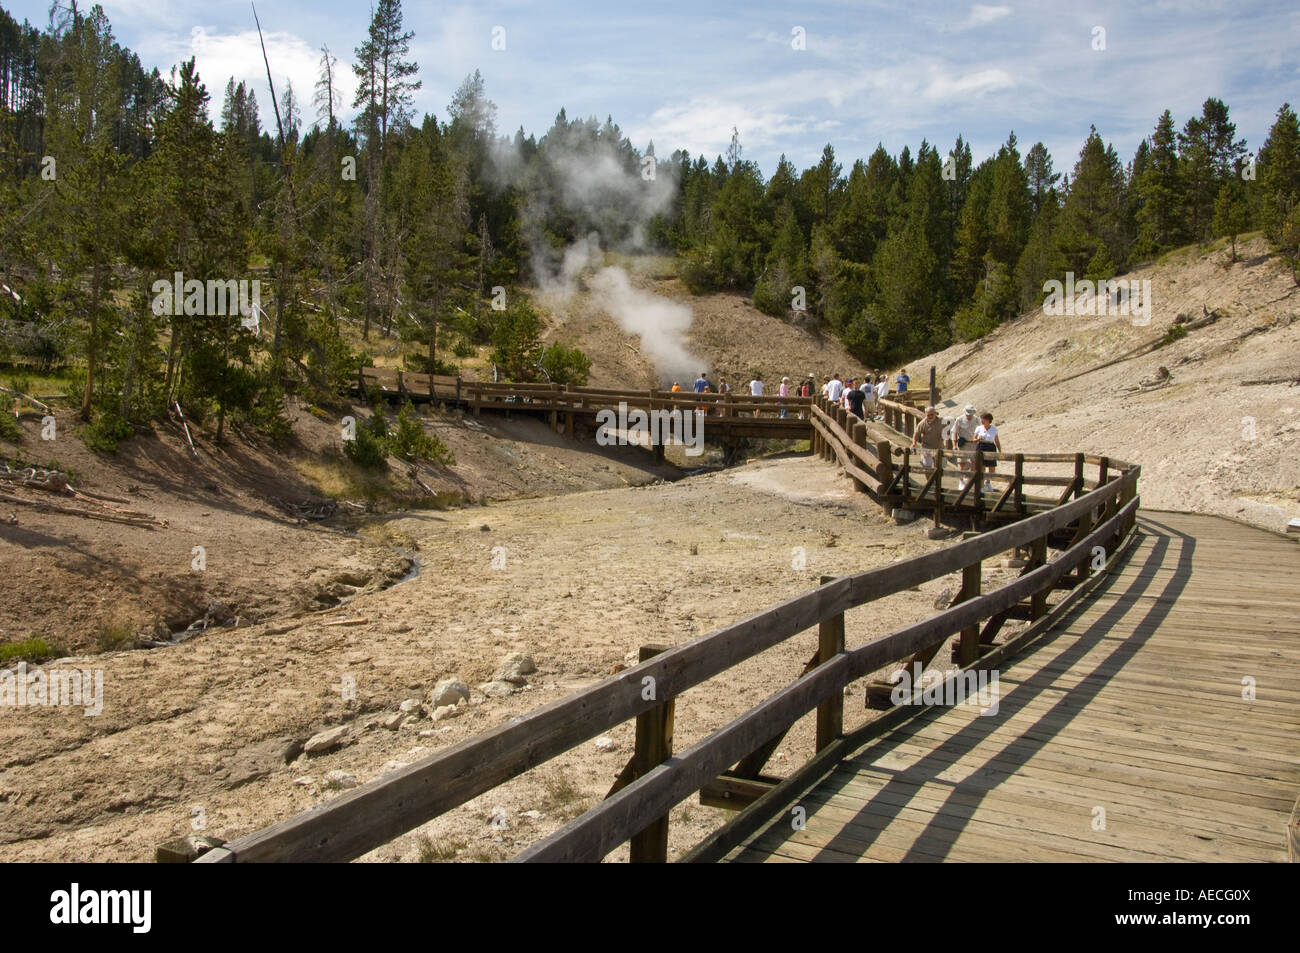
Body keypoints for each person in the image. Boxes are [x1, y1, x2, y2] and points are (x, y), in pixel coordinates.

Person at [951, 404, 980, 487]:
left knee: (974, 463)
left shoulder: (976, 419)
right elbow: (954, 432)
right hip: (963, 444)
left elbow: (980, 429)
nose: (969, 416)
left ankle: (970, 481)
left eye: (970, 414)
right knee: (962, 463)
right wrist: (954, 445)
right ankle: (961, 481)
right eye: (968, 414)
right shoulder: (959, 419)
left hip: (974, 443)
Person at [911, 405, 946, 470]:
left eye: (931, 415)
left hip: (939, 447)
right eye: (928, 415)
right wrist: (914, 443)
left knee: (940, 468)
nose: (930, 416)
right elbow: (916, 433)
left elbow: (949, 430)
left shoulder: (942, 421)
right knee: (927, 467)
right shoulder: (922, 423)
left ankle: (935, 479)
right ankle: (929, 480)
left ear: (935, 413)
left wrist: (944, 435)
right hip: (926, 447)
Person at [975, 412, 1001, 493]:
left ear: (988, 420)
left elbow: (996, 440)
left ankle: (988, 482)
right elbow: (974, 439)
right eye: (982, 419)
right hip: (981, 446)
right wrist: (978, 439)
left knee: (992, 468)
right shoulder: (979, 428)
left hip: (991, 447)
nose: (982, 421)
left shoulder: (994, 429)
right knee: (982, 468)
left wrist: (1000, 450)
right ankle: (981, 487)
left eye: (984, 419)